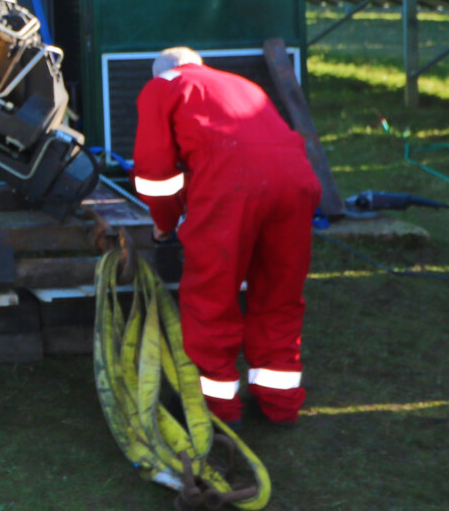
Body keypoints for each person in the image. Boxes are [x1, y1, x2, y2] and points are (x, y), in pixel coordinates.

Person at [132, 47, 321, 426]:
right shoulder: (241, 84)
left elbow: (156, 177)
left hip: (233, 188)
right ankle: (280, 402)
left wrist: (165, 223)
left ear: (161, 71)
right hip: (297, 184)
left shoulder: (162, 87)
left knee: (211, 296)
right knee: (279, 292)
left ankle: (215, 409)